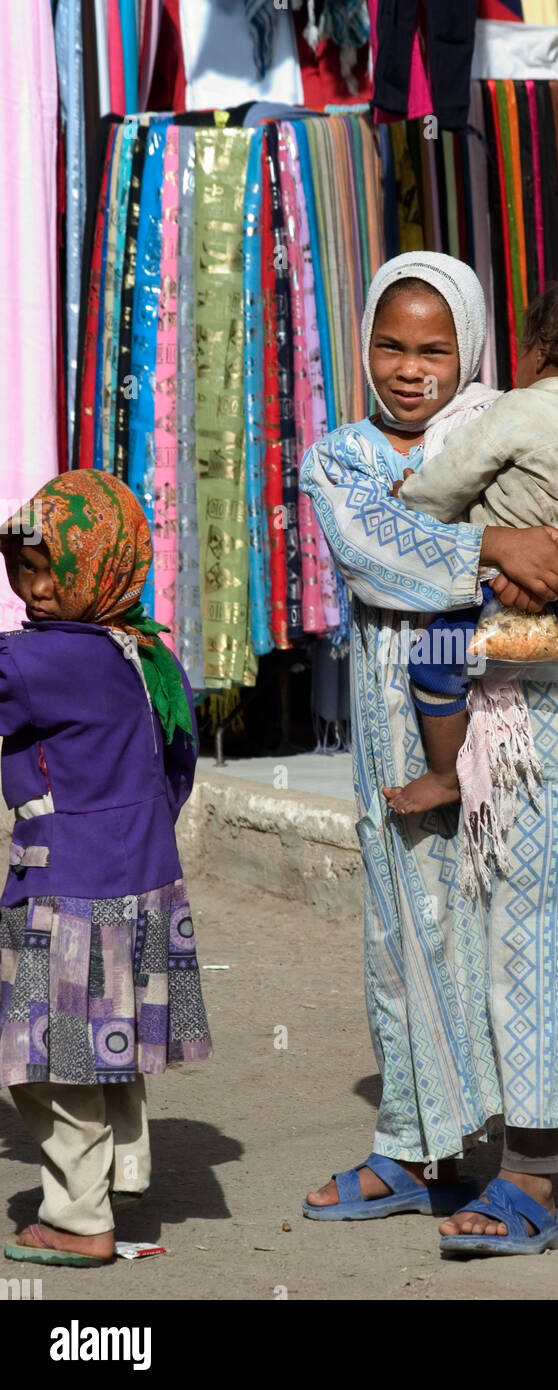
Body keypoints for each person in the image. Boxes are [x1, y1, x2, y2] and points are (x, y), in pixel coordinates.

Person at [299, 252, 558, 1256]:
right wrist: (499, 546)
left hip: (525, 737)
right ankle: (420, 1148)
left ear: (476, 348)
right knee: (413, 942)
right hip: (404, 730)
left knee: (534, 938)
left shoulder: (537, 415)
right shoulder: (339, 459)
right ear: (364, 345)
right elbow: (383, 557)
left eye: (435, 347)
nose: (412, 367)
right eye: (391, 344)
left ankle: (539, 1175)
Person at [0, 470, 211, 1268]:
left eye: (55, 566)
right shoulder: (147, 652)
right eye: (24, 566)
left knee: (44, 1061)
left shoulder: (41, 661)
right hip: (142, 878)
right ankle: (126, 1165)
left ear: (101, 564)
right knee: (103, 1034)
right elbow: (177, 767)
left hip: (67, 881)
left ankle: (79, 1217)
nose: (38, 586)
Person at [384, 266, 558, 814]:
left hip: (497, 598)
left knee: (433, 663)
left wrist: (414, 496)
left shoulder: (516, 408)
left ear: (538, 348)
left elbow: (456, 474)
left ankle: (444, 775)